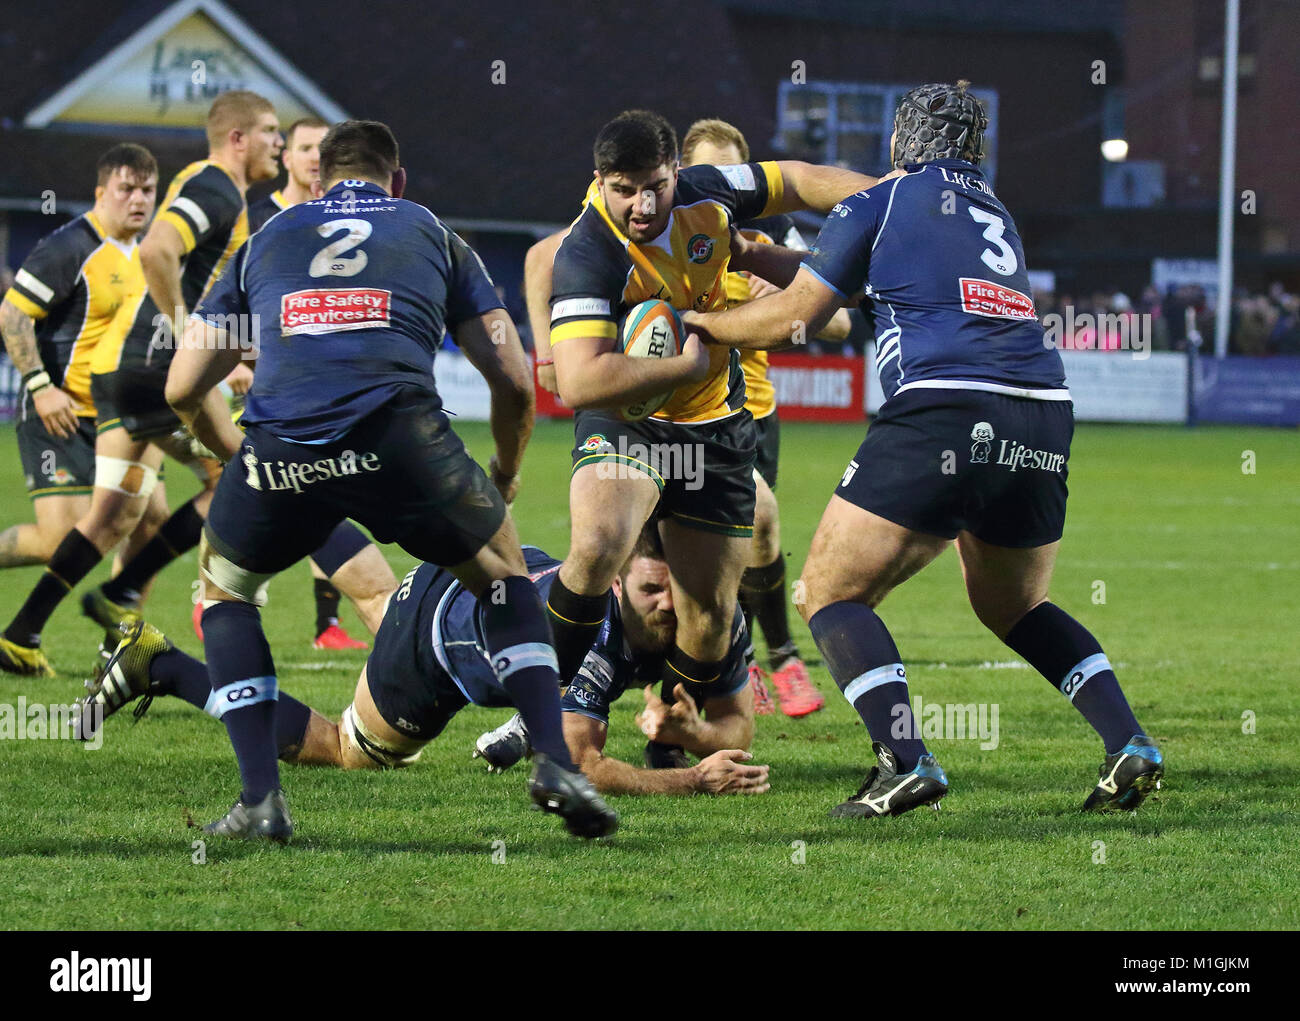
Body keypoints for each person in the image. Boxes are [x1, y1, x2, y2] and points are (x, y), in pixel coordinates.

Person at [686, 81, 1164, 818]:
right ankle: (1129, 741)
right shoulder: (990, 211)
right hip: (1042, 414)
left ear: (899, 141)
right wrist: (754, 251)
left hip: (946, 408)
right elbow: (863, 290)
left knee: (828, 592)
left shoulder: (879, 200)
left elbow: (795, 318)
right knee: (1016, 604)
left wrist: (696, 324)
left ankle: (906, 760)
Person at [165, 119, 616, 843]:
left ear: (317, 181)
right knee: (504, 579)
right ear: (397, 180)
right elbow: (513, 379)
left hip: (283, 451)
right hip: (404, 445)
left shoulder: (265, 240)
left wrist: (234, 453)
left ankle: (260, 802)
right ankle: (555, 764)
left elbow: (183, 385)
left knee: (226, 592)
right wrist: (504, 471)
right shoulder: (434, 234)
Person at [542, 109, 879, 770]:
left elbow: (799, 179)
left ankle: (670, 734)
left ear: (676, 172)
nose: (643, 206)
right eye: (625, 190)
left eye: (656, 187)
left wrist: (892, 193)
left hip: (714, 426)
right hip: (629, 418)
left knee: (709, 612)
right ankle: (542, 703)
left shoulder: (708, 192)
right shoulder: (590, 249)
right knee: (599, 543)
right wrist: (685, 362)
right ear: (600, 182)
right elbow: (580, 382)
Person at [82, 533, 769, 798]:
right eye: (651, 590)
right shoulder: (588, 642)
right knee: (348, 750)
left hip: (482, 573)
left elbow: (737, 722)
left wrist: (695, 732)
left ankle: (300, 505)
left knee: (381, 601)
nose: (670, 604)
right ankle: (164, 666)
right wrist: (693, 778)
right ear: (615, 583)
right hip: (436, 641)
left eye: (679, 589)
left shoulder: (711, 610)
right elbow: (583, 767)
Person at [679, 117, 852, 718]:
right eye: (709, 172)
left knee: (752, 543)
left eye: (734, 173)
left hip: (755, 415)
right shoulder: (670, 227)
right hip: (689, 414)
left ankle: (744, 660)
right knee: (734, 537)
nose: (723, 184)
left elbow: (840, 322)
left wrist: (783, 299)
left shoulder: (771, 230)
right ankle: (773, 658)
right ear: (684, 172)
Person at [0, 145, 172, 674]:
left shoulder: (149, 253)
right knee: (59, 539)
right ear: (101, 193)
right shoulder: (70, 245)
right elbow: (12, 315)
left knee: (153, 521)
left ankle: (120, 647)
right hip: (61, 412)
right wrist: (41, 387)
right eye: (127, 189)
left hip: (121, 416)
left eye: (147, 190)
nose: (138, 199)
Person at [240, 112, 386, 652]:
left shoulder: (344, 221)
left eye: (320, 150)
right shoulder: (259, 219)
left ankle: (323, 623)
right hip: (262, 387)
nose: (311, 159)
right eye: (303, 148)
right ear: (288, 157)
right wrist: (236, 358)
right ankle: (213, 598)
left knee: (312, 497)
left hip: (322, 391)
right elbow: (229, 292)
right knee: (267, 495)